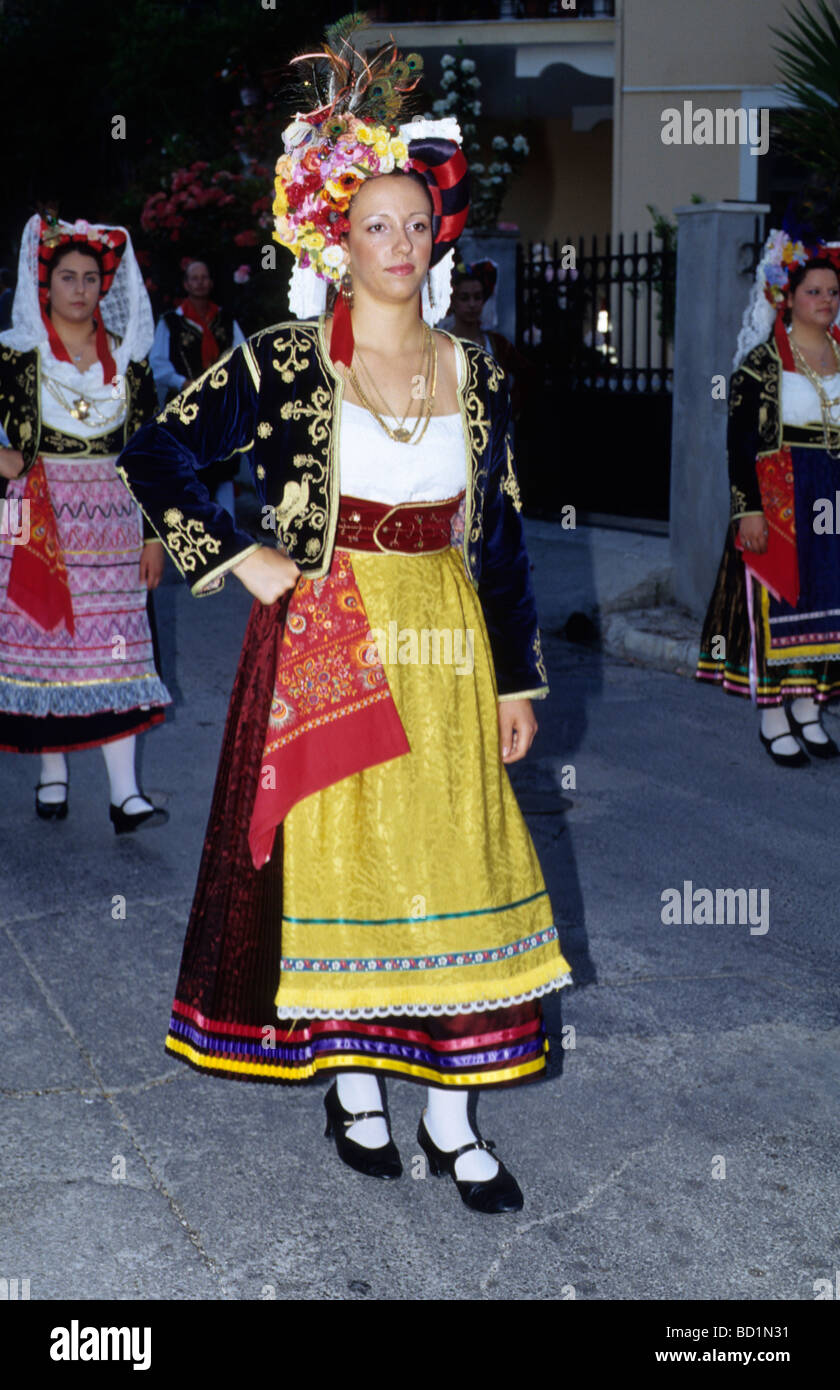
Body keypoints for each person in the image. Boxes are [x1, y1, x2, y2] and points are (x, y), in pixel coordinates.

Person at [117, 21, 571, 1213]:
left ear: (439, 236)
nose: (402, 244)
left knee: (454, 854)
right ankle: (356, 1082)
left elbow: (507, 529)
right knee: (346, 861)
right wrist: (239, 556)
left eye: (417, 223)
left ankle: (456, 1112)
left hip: (446, 633)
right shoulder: (280, 362)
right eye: (376, 224)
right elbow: (155, 452)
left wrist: (521, 679)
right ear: (336, 236)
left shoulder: (477, 374)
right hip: (323, 630)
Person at [0, 213, 171, 830]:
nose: (79, 289)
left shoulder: (132, 364)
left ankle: (126, 796)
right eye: (67, 277)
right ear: (46, 286)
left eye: (91, 278)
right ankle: (52, 773)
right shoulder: (16, 356)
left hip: (114, 517)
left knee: (115, 649)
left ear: (107, 287)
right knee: (44, 636)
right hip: (31, 510)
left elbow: (152, 454)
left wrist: (155, 535)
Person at [697, 227, 840, 764]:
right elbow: (738, 443)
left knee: (827, 601)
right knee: (780, 605)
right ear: (786, 298)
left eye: (831, 292)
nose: (825, 301)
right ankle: (773, 713)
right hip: (783, 499)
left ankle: (809, 707)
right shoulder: (761, 364)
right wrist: (747, 508)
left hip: (833, 497)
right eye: (814, 292)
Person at [149, 259, 246, 520]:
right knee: (188, 468)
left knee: (223, 468)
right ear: (186, 284)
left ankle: (228, 531)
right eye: (194, 278)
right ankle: (190, 531)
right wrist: (183, 383)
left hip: (220, 406)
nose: (200, 282)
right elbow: (158, 362)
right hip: (184, 407)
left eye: (204, 277)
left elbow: (242, 355)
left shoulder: (225, 319)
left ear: (211, 283)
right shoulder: (171, 322)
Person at [449, 255, 534, 420]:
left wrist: (508, 408)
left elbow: (527, 374)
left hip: (492, 431)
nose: (472, 304)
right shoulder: (443, 342)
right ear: (453, 301)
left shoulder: (496, 344)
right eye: (464, 298)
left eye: (478, 297)